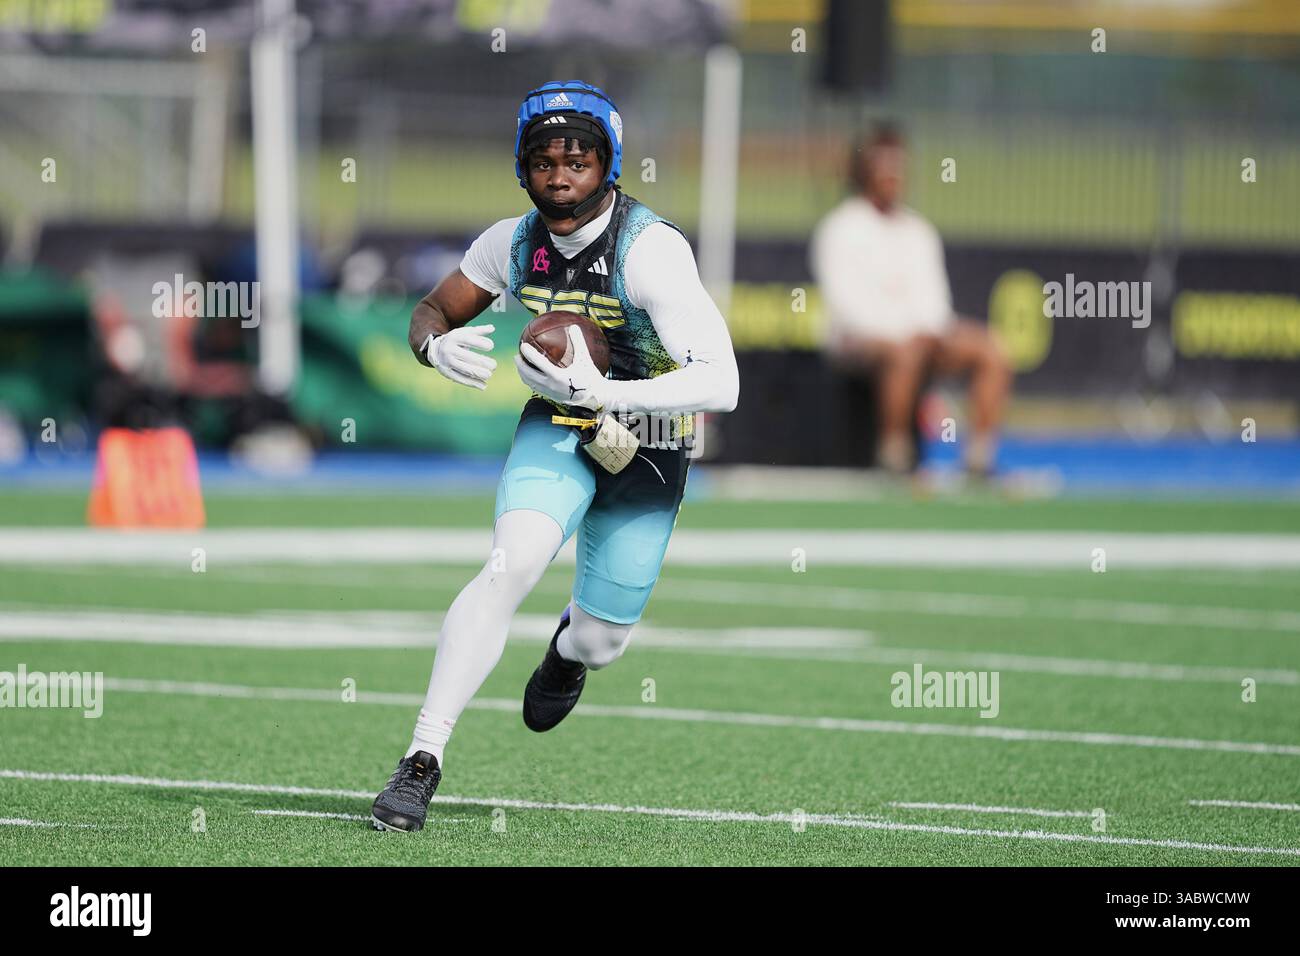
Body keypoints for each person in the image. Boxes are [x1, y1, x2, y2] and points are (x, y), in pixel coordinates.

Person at [371, 81, 740, 833]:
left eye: (578, 159)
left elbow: (723, 382)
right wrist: (432, 346)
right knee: (511, 563)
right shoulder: (510, 242)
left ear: (609, 166)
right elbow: (433, 309)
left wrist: (611, 388)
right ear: (522, 168)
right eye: (543, 160)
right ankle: (421, 759)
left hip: (653, 437)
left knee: (605, 641)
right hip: (563, 421)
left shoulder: (650, 250)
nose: (560, 174)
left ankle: (569, 649)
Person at [810, 123, 1012, 476]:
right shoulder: (840, 228)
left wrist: (931, 332)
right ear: (866, 172)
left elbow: (934, 301)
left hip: (922, 337)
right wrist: (905, 334)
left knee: (991, 349)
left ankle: (979, 458)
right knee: (905, 352)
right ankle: (895, 455)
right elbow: (846, 307)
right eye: (884, 167)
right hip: (858, 342)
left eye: (898, 167)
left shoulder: (919, 232)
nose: (893, 176)